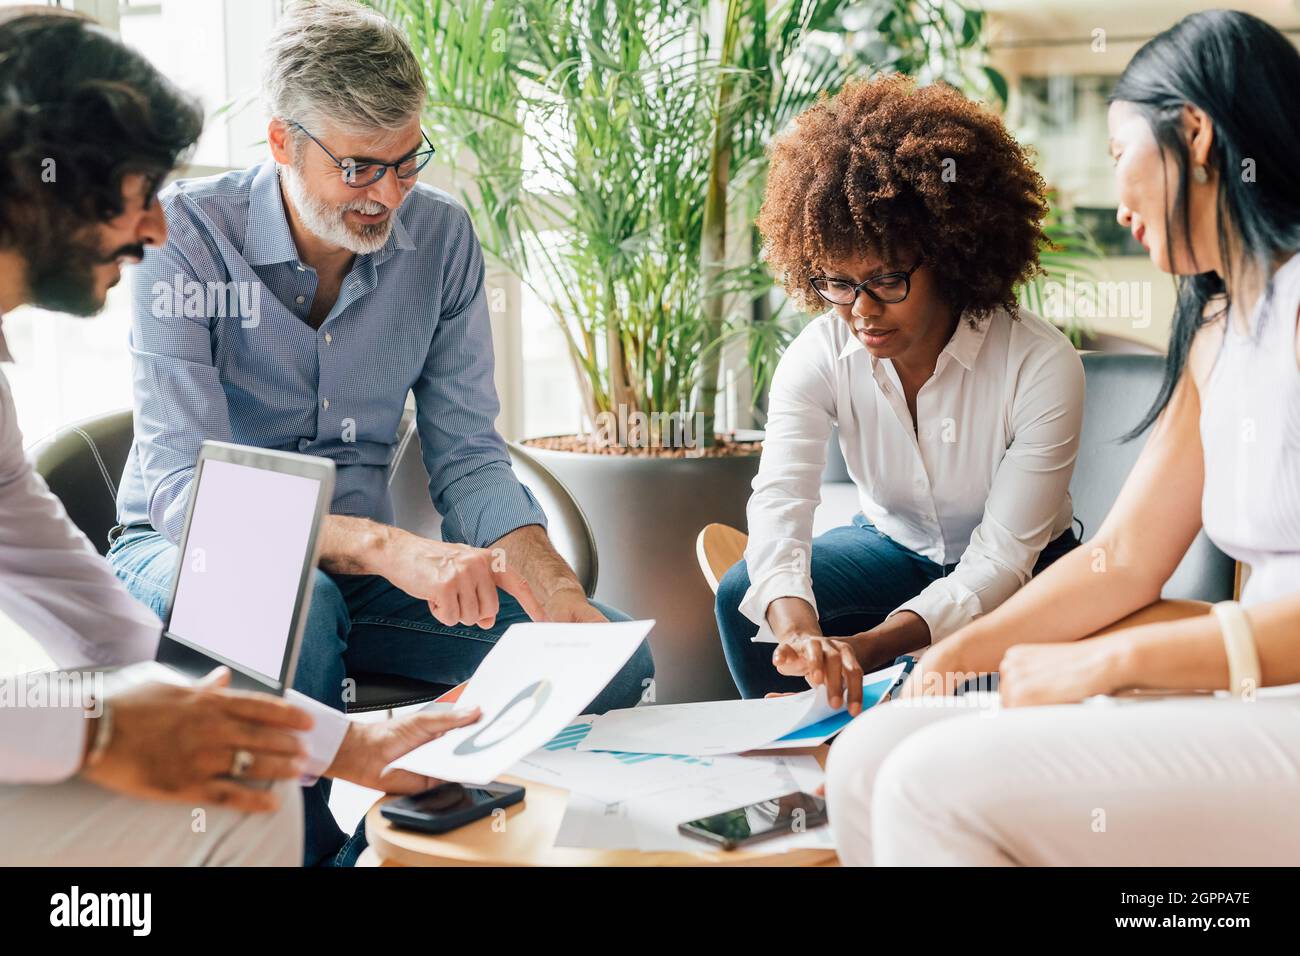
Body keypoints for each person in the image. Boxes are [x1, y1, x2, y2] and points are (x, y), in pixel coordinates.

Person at [104, 0, 652, 866]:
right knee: (295, 601)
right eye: (361, 168)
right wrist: (388, 548)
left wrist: (553, 594)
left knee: (604, 658)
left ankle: (407, 841)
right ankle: (296, 855)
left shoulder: (439, 238)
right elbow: (185, 494)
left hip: (357, 578)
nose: (389, 195)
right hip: (186, 554)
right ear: (283, 144)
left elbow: (468, 453)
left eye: (407, 162)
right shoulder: (186, 239)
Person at [0, 8, 478, 867]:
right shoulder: (192, 244)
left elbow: (108, 634)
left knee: (246, 786)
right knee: (241, 798)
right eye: (137, 194)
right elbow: (180, 514)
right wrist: (97, 730)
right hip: (36, 724)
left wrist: (336, 744)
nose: (155, 231)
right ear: (33, 190)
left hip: (32, 731)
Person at [825, 9, 1300, 866]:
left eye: (1121, 157)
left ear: (1194, 134)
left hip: (1281, 702)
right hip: (1247, 683)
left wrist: (1109, 666)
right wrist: (949, 658)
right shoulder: (1219, 335)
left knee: (929, 789)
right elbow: (1120, 561)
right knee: (867, 754)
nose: (1117, 203)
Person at [714, 75, 1084, 709]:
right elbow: (780, 506)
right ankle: (804, 760)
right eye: (837, 282)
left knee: (973, 699)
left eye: (886, 280)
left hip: (1030, 570)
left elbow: (997, 564)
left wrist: (873, 644)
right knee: (744, 593)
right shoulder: (819, 353)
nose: (860, 310)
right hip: (894, 545)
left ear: (950, 256)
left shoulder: (1039, 362)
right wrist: (803, 636)